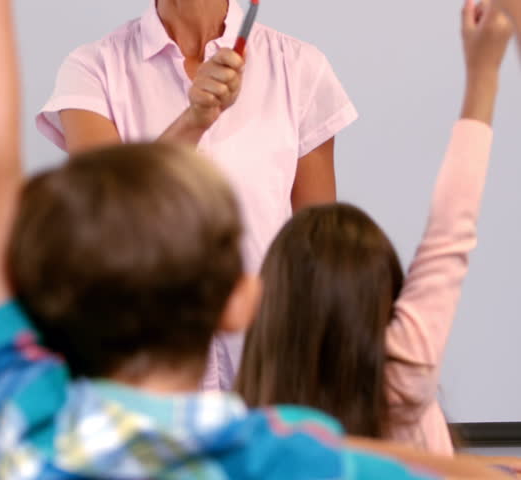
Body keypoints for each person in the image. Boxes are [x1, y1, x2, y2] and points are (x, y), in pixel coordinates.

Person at [0, 0, 512, 478]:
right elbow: (108, 209)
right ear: (241, 299)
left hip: (270, 380)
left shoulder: (14, 419)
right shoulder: (279, 453)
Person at [236, 0, 512, 456]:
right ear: (386, 290)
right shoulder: (404, 373)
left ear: (274, 302)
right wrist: (485, 70)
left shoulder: (262, 417)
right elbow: (451, 227)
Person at [36, 0, 359, 390]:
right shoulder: (92, 69)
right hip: (145, 373)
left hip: (273, 371)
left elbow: (320, 252)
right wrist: (193, 122)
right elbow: (105, 221)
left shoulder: (298, 66)